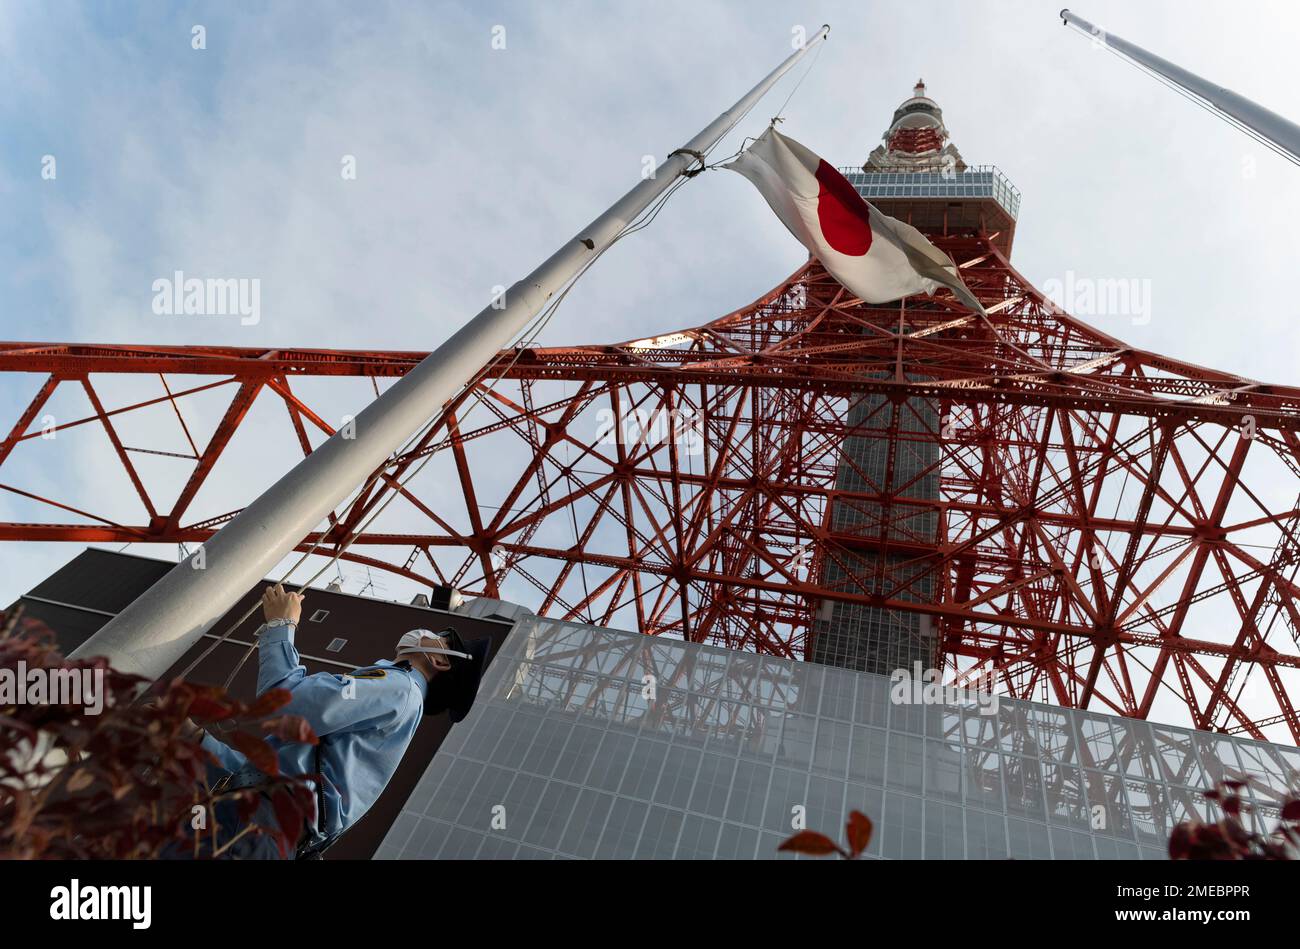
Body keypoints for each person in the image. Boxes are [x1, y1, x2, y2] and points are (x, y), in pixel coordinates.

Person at [192, 583, 490, 859]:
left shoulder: (400, 688)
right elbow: (266, 774)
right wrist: (196, 739)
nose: (430, 633)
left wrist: (281, 624)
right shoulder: (399, 705)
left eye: (441, 638)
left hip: (253, 823)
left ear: (441, 660)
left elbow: (283, 701)